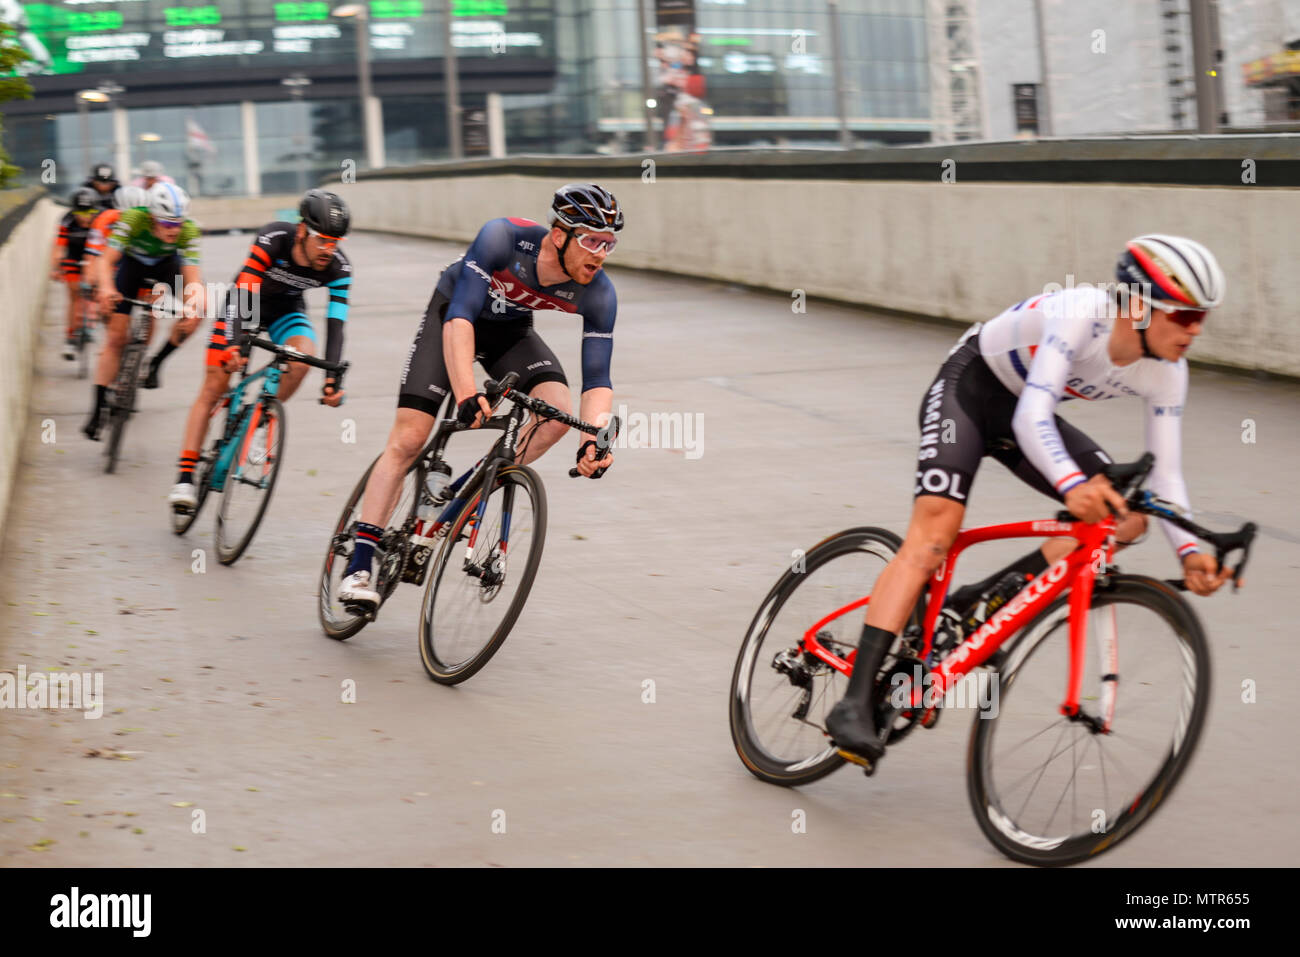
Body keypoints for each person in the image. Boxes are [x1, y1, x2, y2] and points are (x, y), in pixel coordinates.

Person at [825, 234, 1238, 766]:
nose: (1195, 329)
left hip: (1022, 412)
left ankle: (982, 600)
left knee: (1125, 519)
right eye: (1183, 316)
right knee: (933, 538)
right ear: (1138, 304)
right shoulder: (1081, 315)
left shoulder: (1168, 371)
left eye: (1202, 317)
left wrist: (1189, 552)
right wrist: (1072, 485)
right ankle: (854, 704)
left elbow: (1167, 473)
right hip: (971, 390)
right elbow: (1031, 418)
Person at [336, 183, 623, 613]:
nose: (600, 253)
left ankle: (470, 490)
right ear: (560, 234)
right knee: (411, 437)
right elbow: (459, 318)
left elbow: (597, 378)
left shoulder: (599, 292)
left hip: (510, 334)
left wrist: (593, 438)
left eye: (609, 243)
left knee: (558, 414)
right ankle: (359, 564)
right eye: (591, 240)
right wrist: (467, 392)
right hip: (453, 316)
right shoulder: (503, 238)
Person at [168, 189, 352, 511]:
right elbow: (245, 291)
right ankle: (185, 478)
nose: (328, 249)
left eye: (335, 242)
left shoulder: (338, 268)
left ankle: (258, 420)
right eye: (322, 239)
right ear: (301, 231)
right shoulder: (274, 237)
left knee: (303, 359)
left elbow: (336, 324)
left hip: (287, 310)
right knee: (214, 385)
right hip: (246, 303)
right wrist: (235, 343)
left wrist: (333, 378)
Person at [85, 182, 206, 440]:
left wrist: (193, 305)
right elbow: (106, 261)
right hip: (132, 267)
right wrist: (106, 288)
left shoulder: (189, 229)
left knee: (198, 313)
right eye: (167, 224)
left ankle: (155, 363)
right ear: (151, 216)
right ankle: (97, 410)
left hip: (166, 266)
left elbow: (192, 278)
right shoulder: (133, 219)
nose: (174, 230)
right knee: (116, 339)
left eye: (178, 223)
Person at [50, 187, 100, 360]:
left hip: (95, 256)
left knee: (97, 290)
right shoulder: (67, 220)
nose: (85, 217)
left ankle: (91, 316)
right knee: (74, 294)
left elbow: (110, 249)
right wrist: (56, 267)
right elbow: (58, 247)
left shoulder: (102, 219)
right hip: (73, 256)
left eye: (90, 213)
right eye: (80, 213)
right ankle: (70, 337)